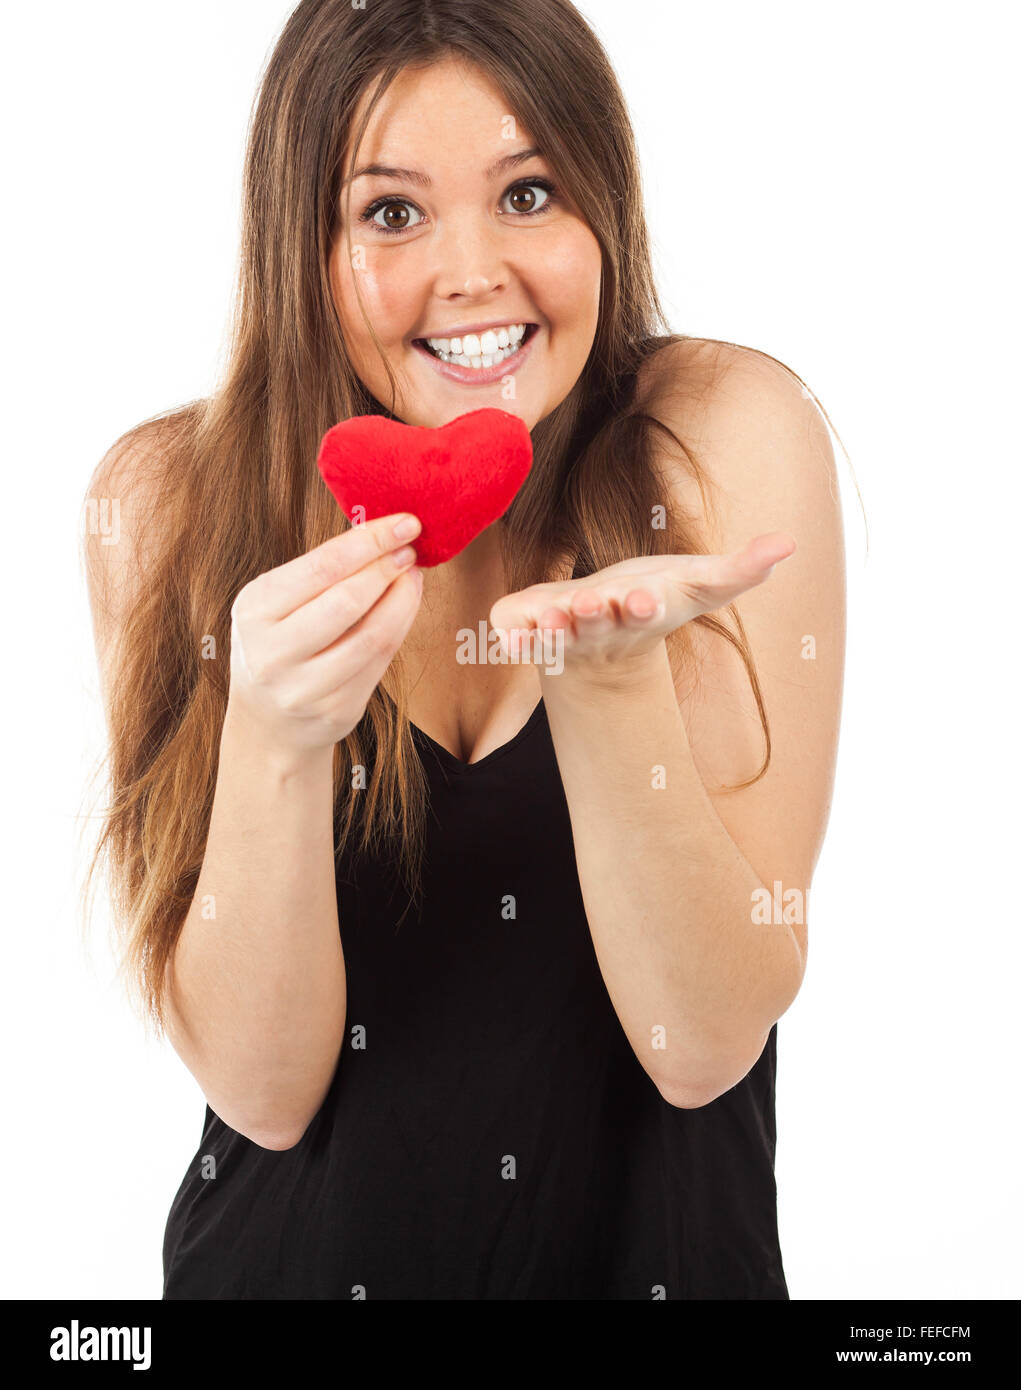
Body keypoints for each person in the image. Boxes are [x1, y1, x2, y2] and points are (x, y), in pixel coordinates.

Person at [84, 0, 845, 1300]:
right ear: (301, 244)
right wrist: (272, 739)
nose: (472, 271)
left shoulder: (716, 440)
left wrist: (608, 696)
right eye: (390, 212)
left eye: (528, 191)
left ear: (603, 205)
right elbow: (264, 1096)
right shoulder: (165, 506)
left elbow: (701, 1042)